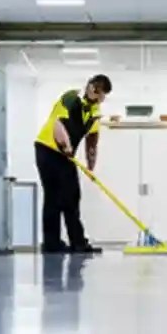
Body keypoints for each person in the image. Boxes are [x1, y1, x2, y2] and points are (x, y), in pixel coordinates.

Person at [34, 74, 115, 254]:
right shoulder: (71, 98)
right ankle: (51, 244)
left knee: (72, 195)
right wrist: (66, 145)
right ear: (92, 88)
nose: (101, 99)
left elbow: (92, 142)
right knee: (53, 196)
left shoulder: (94, 112)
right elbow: (58, 126)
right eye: (101, 93)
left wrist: (90, 167)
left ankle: (78, 243)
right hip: (47, 149)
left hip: (65, 155)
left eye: (103, 96)